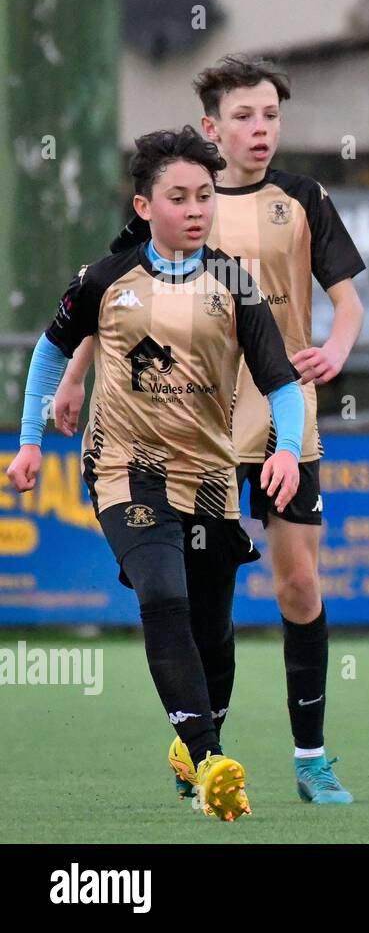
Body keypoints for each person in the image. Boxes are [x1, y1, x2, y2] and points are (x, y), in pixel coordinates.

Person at [54, 55, 366, 804]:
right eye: (246, 116)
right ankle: (204, 744)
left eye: (272, 116)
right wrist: (73, 375)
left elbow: (347, 303)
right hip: (191, 428)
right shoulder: (178, 193)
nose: (261, 130)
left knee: (297, 584)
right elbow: (112, 292)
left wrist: (337, 349)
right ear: (212, 127)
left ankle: (311, 757)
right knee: (200, 604)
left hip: (284, 411)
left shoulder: (303, 199)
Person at [5, 126, 305, 821]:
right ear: (145, 206)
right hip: (124, 469)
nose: (196, 208)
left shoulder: (235, 281)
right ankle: (207, 763)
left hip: (208, 476)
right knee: (162, 596)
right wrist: (28, 441)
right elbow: (51, 352)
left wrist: (286, 448)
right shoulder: (106, 279)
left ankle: (195, 746)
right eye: (179, 197)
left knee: (215, 633)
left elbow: (280, 380)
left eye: (205, 195)